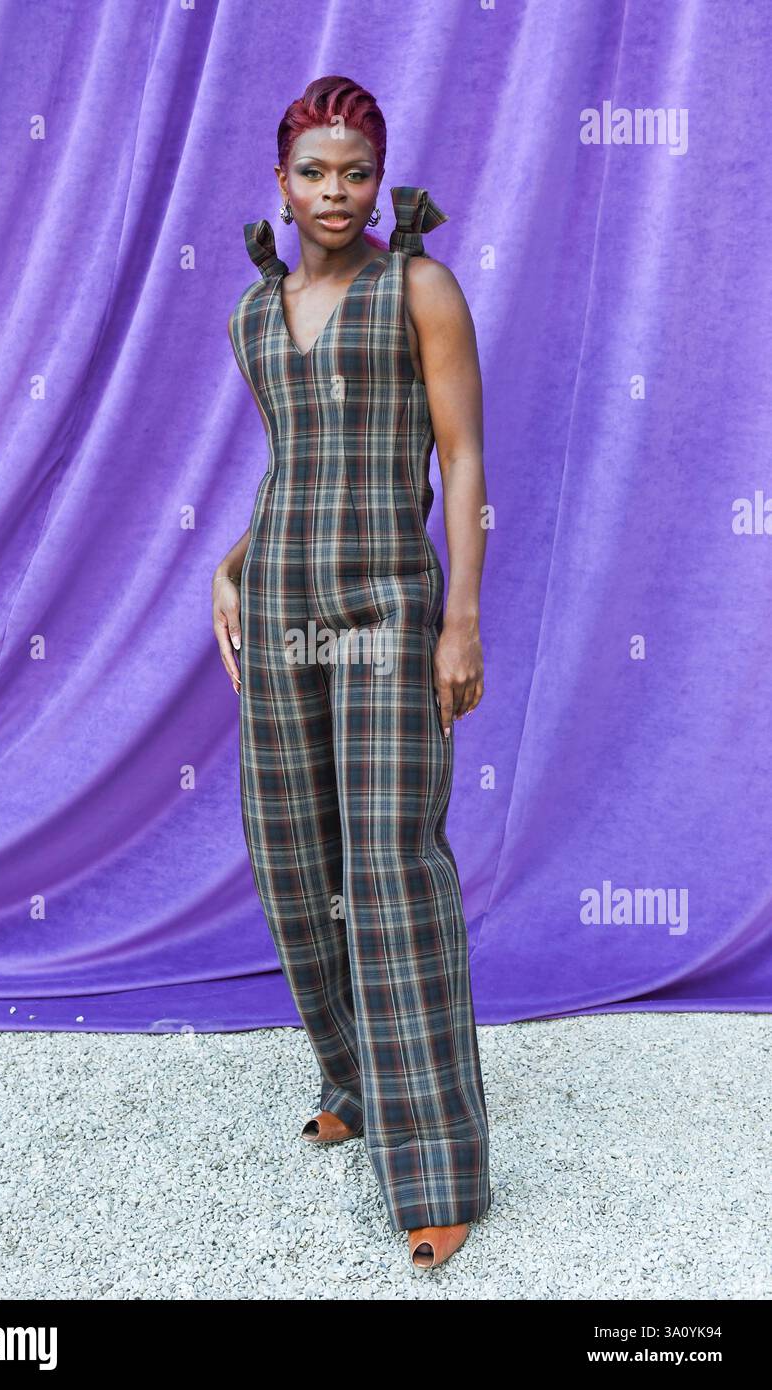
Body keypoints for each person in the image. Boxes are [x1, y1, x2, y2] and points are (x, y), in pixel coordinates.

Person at [212, 75, 491, 1271]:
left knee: (386, 865)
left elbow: (463, 457)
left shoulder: (417, 287)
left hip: (385, 605)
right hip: (274, 600)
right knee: (289, 859)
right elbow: (298, 465)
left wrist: (460, 617)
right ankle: (356, 1076)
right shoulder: (250, 314)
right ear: (280, 181)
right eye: (315, 173)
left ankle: (436, 1169)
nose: (336, 193)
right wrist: (228, 567)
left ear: (380, 181)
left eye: (357, 173)